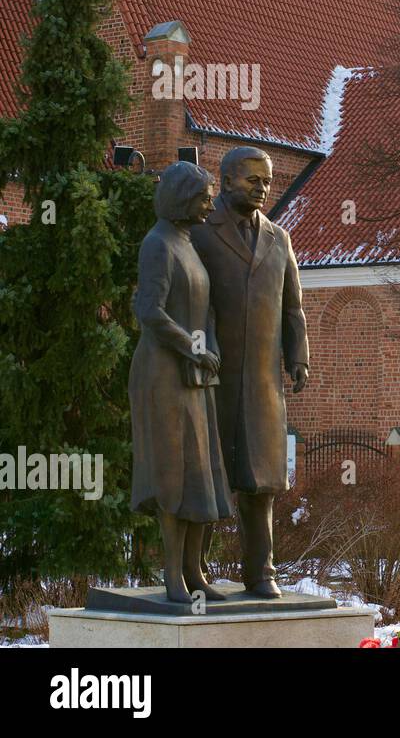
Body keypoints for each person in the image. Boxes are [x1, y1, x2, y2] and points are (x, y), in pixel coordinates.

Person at [192, 146, 309, 598]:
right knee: (205, 477)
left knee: (261, 483)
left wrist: (297, 356)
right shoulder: (199, 232)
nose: (262, 188)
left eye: (266, 180)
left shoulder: (279, 238)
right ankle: (192, 571)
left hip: (262, 381)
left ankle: (261, 572)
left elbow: (292, 306)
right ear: (225, 180)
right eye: (252, 179)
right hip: (210, 377)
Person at [129, 161, 233, 604]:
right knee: (172, 472)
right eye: (204, 195)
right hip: (163, 374)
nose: (211, 202)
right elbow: (150, 311)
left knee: (201, 473)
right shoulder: (157, 244)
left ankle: (195, 571)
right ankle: (173, 572)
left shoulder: (189, 244)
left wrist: (210, 349)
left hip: (195, 375)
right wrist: (194, 349)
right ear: (181, 197)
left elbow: (204, 309)